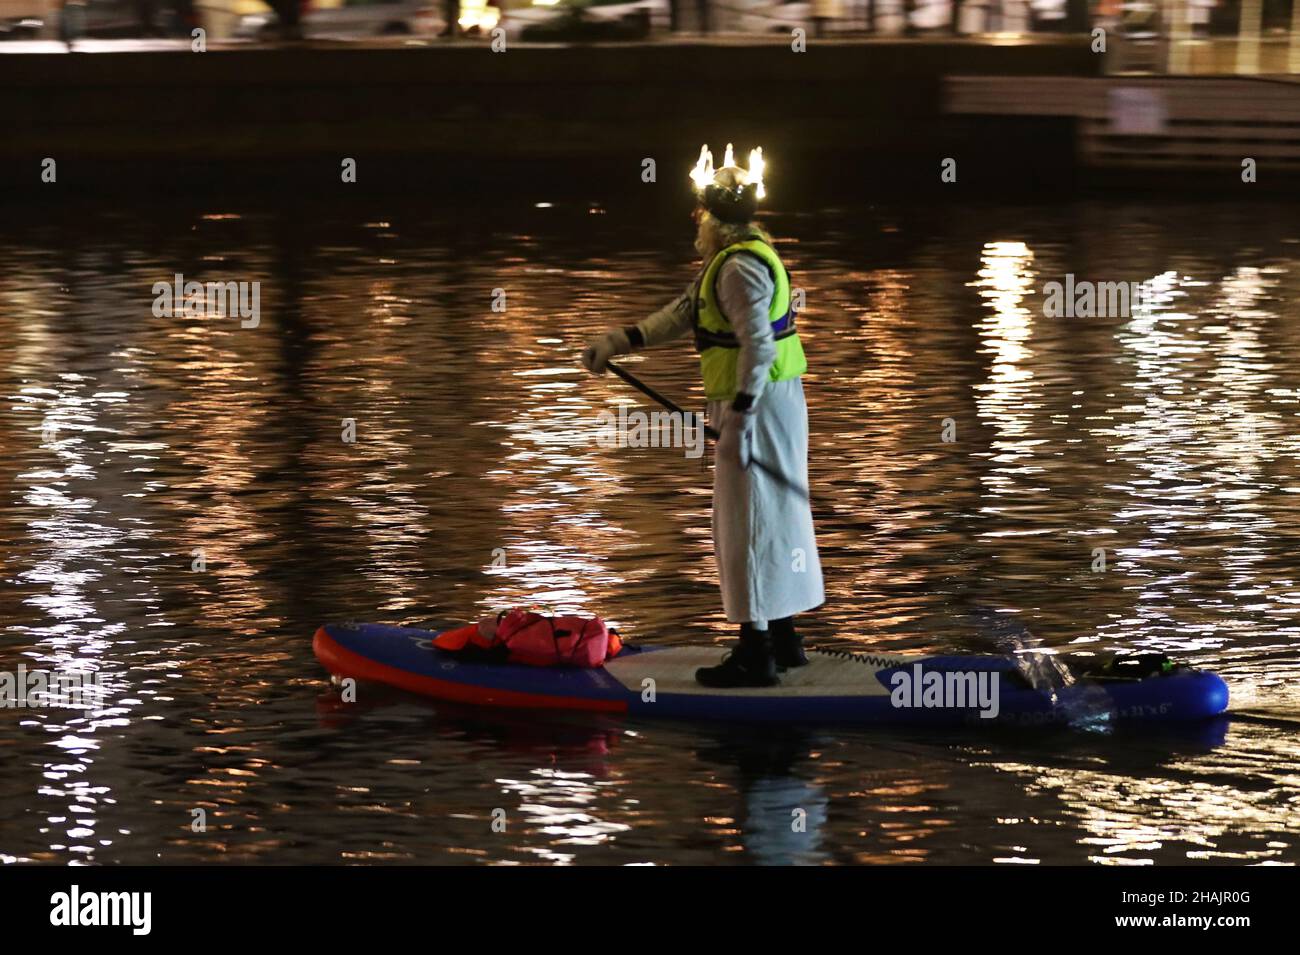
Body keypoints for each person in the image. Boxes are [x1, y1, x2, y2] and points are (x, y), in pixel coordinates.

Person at [581, 144, 825, 688]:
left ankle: (755, 655)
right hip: (765, 400)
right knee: (772, 515)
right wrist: (620, 341)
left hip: (755, 403)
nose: (695, 223)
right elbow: (686, 312)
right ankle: (784, 641)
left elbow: (758, 347)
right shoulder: (739, 257)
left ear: (710, 217)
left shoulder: (739, 268)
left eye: (699, 214)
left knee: (746, 521)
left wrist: (737, 415)